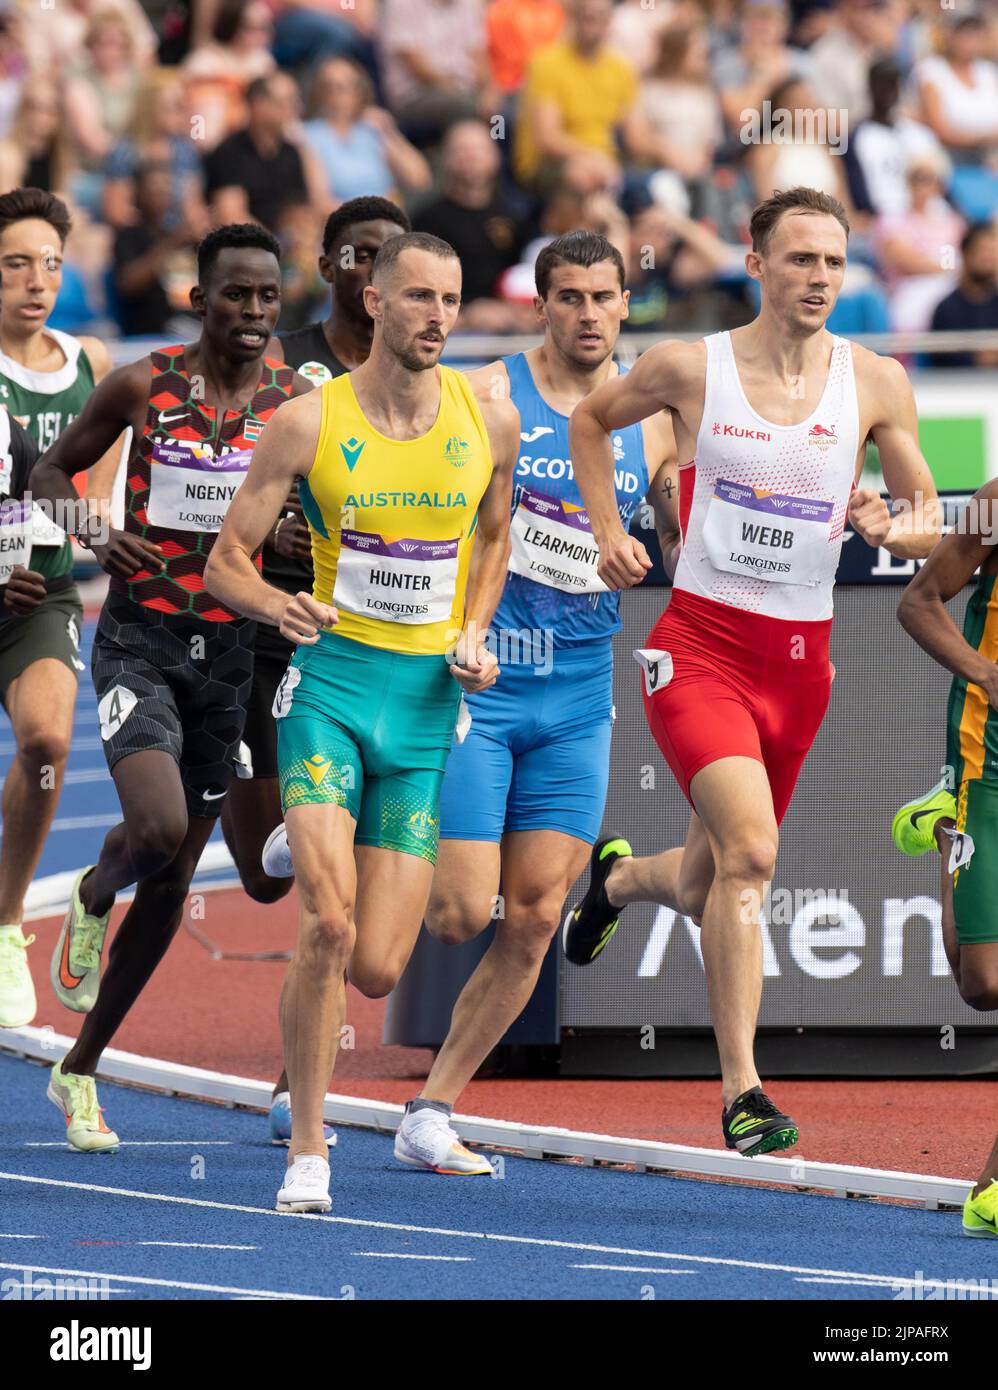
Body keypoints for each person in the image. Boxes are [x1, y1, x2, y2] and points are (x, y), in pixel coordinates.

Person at [564, 185, 940, 1157]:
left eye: (831, 261)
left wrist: (883, 525)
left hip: (798, 668)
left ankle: (613, 883)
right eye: (798, 258)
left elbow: (925, 512)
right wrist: (607, 532)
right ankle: (743, 1089)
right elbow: (590, 422)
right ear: (755, 259)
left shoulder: (875, 380)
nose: (816, 277)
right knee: (753, 855)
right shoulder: (689, 367)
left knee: (704, 880)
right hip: (697, 651)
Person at [204, 231, 518, 1212]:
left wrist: (474, 631)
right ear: (373, 300)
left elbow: (495, 538)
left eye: (451, 299)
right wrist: (274, 606)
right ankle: (308, 1146)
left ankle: (316, 867)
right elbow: (225, 560)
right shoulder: (306, 420)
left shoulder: (487, 421)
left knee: (376, 967)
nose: (436, 315)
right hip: (331, 690)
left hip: (424, 709)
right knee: (328, 922)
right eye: (417, 296)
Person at [392, 230, 678, 1175]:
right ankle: (353, 811)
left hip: (580, 687)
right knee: (457, 914)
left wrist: (655, 550)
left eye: (605, 297)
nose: (589, 314)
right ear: (541, 306)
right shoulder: (487, 396)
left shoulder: (658, 412)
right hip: (485, 678)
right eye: (570, 298)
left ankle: (432, 1112)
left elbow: (678, 534)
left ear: (626, 305)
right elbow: (430, 507)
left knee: (534, 914)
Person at [30, 223, 305, 1152]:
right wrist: (95, 537)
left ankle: (79, 1070)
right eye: (236, 294)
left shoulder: (298, 403)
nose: (255, 313)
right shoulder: (142, 386)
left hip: (232, 658)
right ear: (200, 301)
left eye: (269, 297)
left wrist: (298, 547)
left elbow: (319, 514)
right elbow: (46, 469)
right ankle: (94, 887)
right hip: (141, 641)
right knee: (151, 835)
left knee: (176, 871)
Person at [221, 194, 411, 1145]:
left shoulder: (422, 374)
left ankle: (301, 1084)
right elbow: (234, 466)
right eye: (362, 257)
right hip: (266, 628)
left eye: (395, 260)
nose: (379, 278)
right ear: (335, 263)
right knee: (266, 880)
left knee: (332, 910)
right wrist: (284, 523)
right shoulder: (287, 363)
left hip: (369, 649)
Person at [0, 188, 122, 1031]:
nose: (36, 281)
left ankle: (5, 927)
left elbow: (96, 505)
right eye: (14, 263)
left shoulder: (93, 365)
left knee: (47, 741)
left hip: (39, 592)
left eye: (49, 263)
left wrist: (97, 533)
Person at [889, 480, 998, 1239]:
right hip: (986, 761)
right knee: (982, 983)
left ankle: (989, 1190)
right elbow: (919, 603)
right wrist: (987, 674)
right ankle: (941, 822)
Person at [515, 0, 641, 191]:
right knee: (583, 177)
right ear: (572, 17)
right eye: (585, 15)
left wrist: (673, 154)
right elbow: (547, 139)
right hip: (549, 164)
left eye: (598, 16)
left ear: (610, 21)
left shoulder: (622, 68)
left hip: (605, 163)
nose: (591, 22)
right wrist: (596, 157)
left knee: (662, 184)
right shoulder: (546, 63)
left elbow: (638, 137)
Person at [413, 120, 525, 329]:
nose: (470, 157)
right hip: (451, 329)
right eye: (460, 150)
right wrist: (465, 314)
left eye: (478, 150)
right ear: (445, 158)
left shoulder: (518, 215)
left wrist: (514, 310)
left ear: (495, 157)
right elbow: (418, 288)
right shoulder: (425, 221)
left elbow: (527, 273)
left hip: (512, 328)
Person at [302, 58, 430, 206]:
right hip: (342, 220)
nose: (336, 95)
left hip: (386, 217)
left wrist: (389, 131)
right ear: (318, 93)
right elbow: (320, 200)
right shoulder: (310, 134)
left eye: (344, 87)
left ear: (360, 91)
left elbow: (419, 179)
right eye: (328, 87)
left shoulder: (371, 130)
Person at [203, 72, 311, 234]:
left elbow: (300, 210)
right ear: (259, 105)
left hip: (284, 245)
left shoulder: (291, 153)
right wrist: (275, 247)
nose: (295, 108)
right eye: (287, 102)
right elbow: (230, 216)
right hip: (244, 246)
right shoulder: (229, 153)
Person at [928, 222, 998, 369]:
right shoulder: (946, 309)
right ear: (966, 254)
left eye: (993, 252)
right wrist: (980, 359)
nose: (989, 259)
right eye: (983, 251)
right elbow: (944, 359)